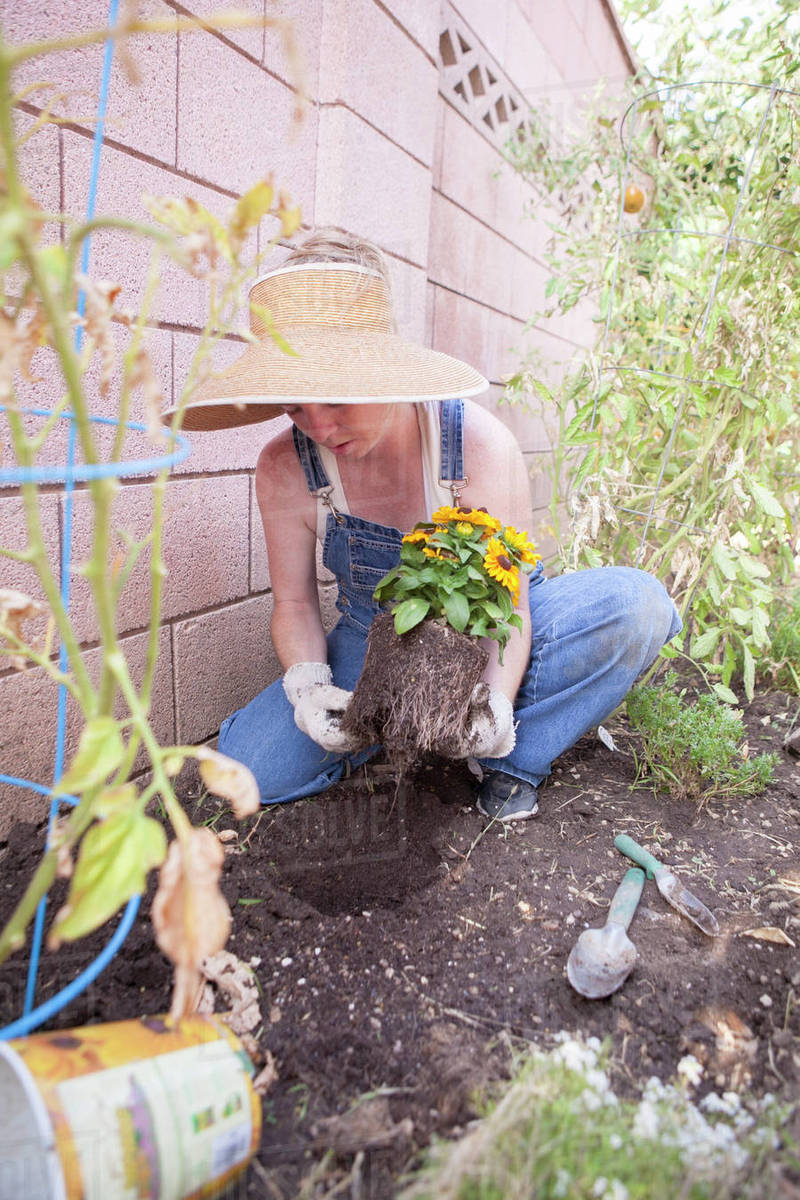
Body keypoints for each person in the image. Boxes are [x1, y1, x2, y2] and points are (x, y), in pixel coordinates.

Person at [170, 229, 681, 822]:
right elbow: (293, 604)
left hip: (491, 629)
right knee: (250, 769)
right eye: (295, 403)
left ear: (384, 368)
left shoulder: (476, 445)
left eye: (336, 396)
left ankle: (507, 758)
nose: (319, 425)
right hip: (372, 638)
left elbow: (508, 605)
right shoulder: (286, 467)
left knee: (633, 604)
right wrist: (309, 690)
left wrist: (494, 701)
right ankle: (399, 728)